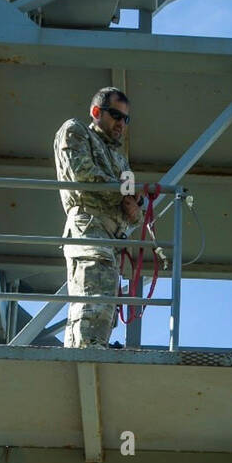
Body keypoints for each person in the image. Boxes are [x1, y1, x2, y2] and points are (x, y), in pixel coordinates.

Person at [53, 88, 142, 348]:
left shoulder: (121, 161)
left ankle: (92, 349)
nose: (121, 123)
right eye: (116, 115)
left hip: (111, 240)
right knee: (93, 296)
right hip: (88, 227)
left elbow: (134, 215)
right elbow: (82, 174)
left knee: (105, 303)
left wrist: (135, 210)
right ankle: (84, 352)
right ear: (96, 112)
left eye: (126, 119)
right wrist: (121, 195)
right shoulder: (75, 131)